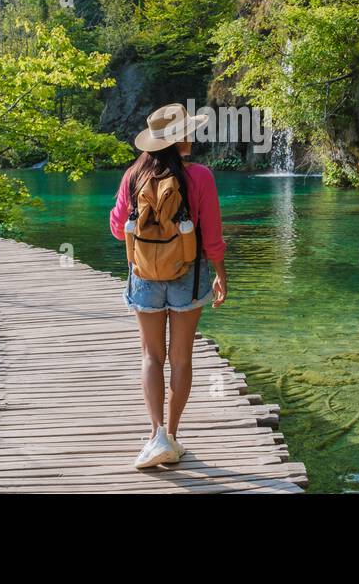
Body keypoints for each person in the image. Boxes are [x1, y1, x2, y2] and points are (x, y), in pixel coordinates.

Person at [110, 103, 227, 469]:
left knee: (150, 357)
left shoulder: (133, 175)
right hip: (188, 276)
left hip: (144, 275)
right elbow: (212, 234)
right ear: (180, 139)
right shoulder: (201, 177)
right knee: (180, 357)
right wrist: (221, 273)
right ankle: (172, 437)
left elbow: (117, 228)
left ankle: (155, 433)